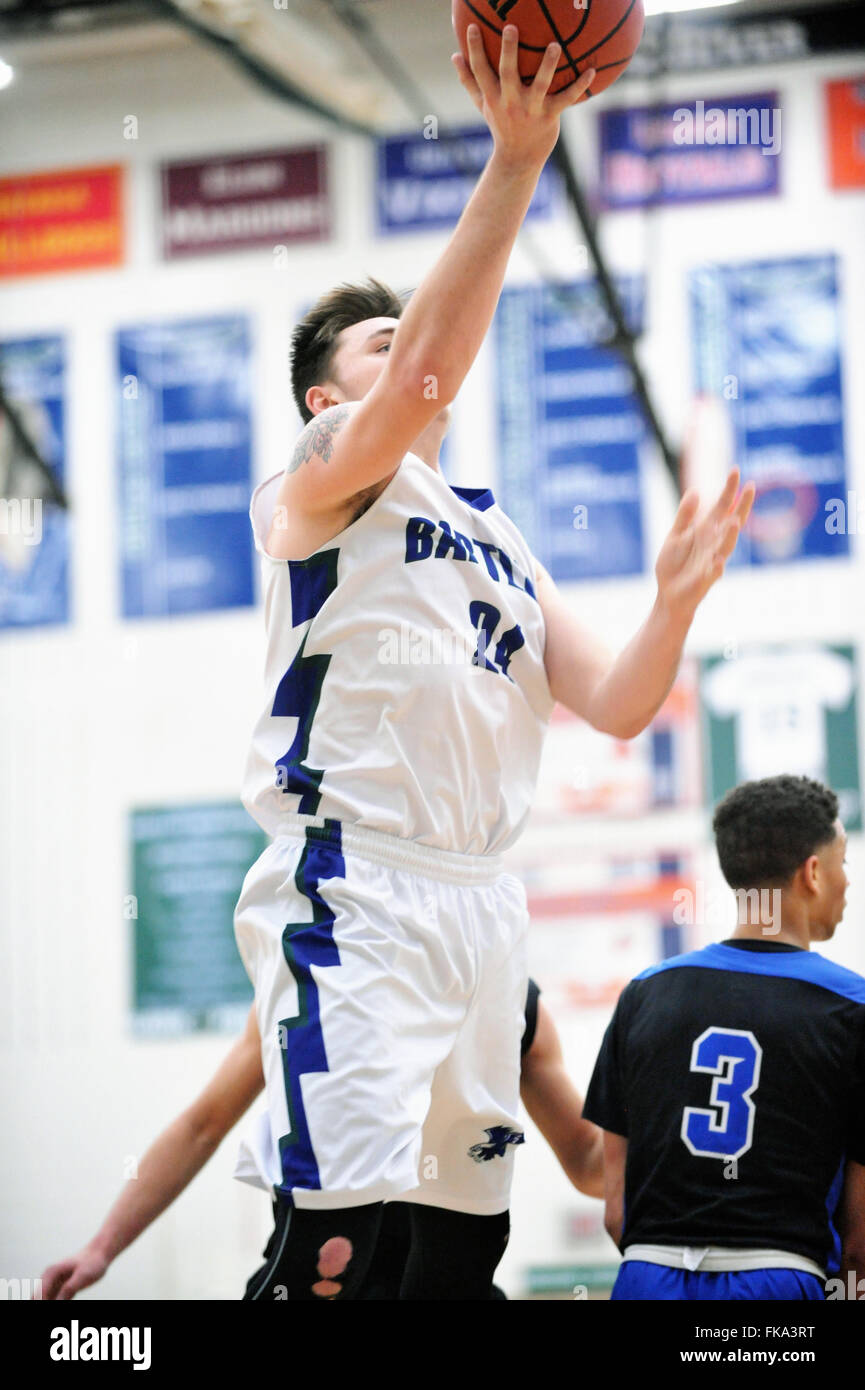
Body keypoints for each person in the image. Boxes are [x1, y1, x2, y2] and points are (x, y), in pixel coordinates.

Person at [231, 21, 754, 1300]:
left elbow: (622, 703)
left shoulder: (498, 540)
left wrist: (675, 603)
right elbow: (421, 372)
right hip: (357, 886)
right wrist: (518, 158)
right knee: (336, 1253)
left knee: (460, 1254)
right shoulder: (312, 492)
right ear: (323, 402)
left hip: (479, 905)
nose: (412, 350)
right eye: (376, 344)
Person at [36, 982, 602, 1300]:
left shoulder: (511, 1003)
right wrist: (102, 1248)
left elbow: (589, 1160)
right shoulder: (310, 986)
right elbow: (201, 1125)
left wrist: (676, 1158)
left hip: (447, 1287)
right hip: (312, 1277)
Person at [583, 774, 865, 1301]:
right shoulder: (854, 1007)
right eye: (842, 863)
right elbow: (859, 1248)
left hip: (646, 1274)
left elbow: (616, 1212)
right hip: (780, 1282)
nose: (847, 880)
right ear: (812, 873)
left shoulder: (643, 994)